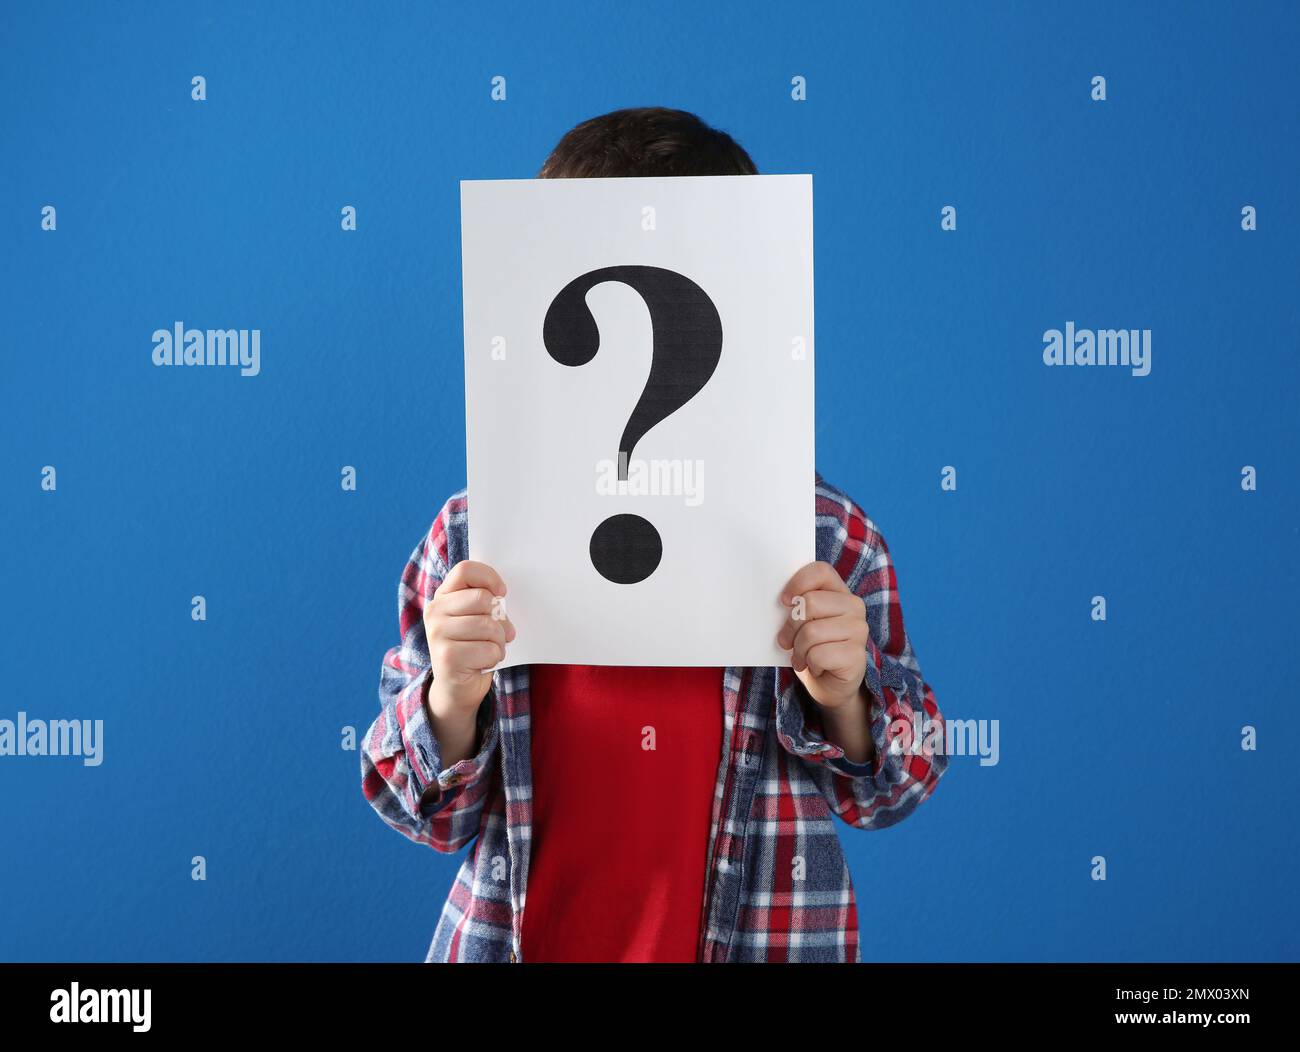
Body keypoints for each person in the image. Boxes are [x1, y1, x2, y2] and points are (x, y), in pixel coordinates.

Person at [360, 107, 948, 963]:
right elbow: (417, 808)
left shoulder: (828, 540)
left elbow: (906, 780)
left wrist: (850, 698)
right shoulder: (471, 540)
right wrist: (449, 698)